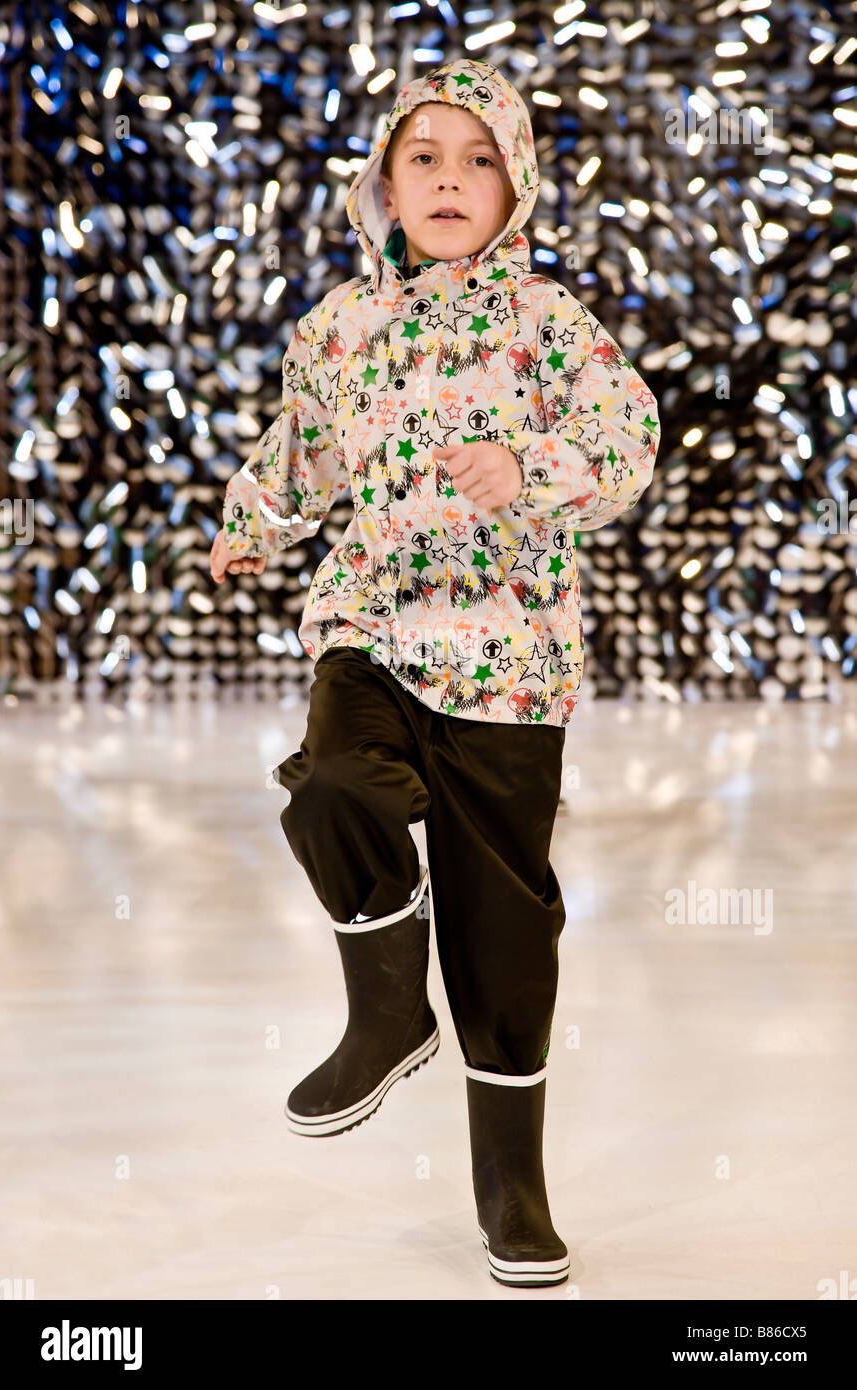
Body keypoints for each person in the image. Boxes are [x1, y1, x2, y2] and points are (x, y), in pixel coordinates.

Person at [210, 57, 660, 1288]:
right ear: (384, 188)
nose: (450, 180)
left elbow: (625, 438)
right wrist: (252, 519)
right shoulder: (339, 330)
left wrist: (532, 468)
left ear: (513, 185)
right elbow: (300, 450)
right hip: (372, 620)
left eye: (477, 160)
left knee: (502, 923)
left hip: (511, 658)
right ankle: (385, 1009)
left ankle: (511, 1185)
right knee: (335, 787)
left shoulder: (551, 327)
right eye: (425, 159)